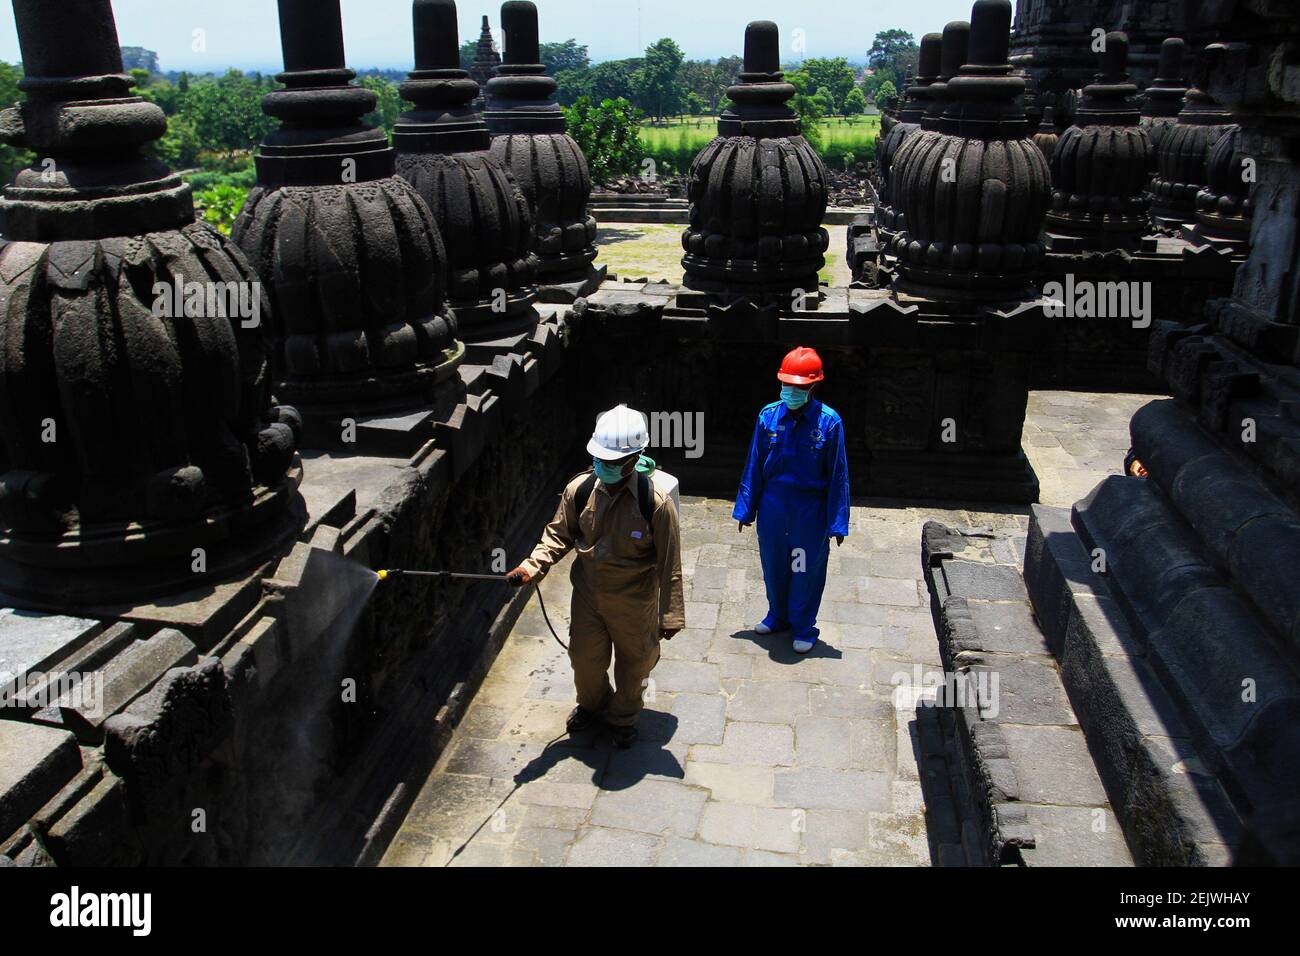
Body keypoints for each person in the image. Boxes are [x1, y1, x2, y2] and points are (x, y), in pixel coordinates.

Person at [507, 404, 684, 748]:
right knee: (584, 659)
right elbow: (558, 535)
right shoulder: (580, 490)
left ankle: (622, 718)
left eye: (612, 462)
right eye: (599, 460)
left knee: (635, 666)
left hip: (634, 601)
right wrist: (531, 566)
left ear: (633, 460)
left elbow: (669, 562)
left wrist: (671, 613)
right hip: (588, 596)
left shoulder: (656, 505)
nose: (603, 467)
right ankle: (592, 705)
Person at [734, 347, 850, 654]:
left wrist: (837, 522)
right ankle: (777, 615)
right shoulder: (768, 417)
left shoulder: (829, 423)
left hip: (808, 512)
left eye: (800, 387)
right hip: (773, 506)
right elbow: (754, 464)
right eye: (788, 385)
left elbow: (838, 475)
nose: (792, 392)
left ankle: (802, 626)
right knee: (774, 564)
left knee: (803, 568)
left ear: (813, 386)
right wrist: (746, 509)